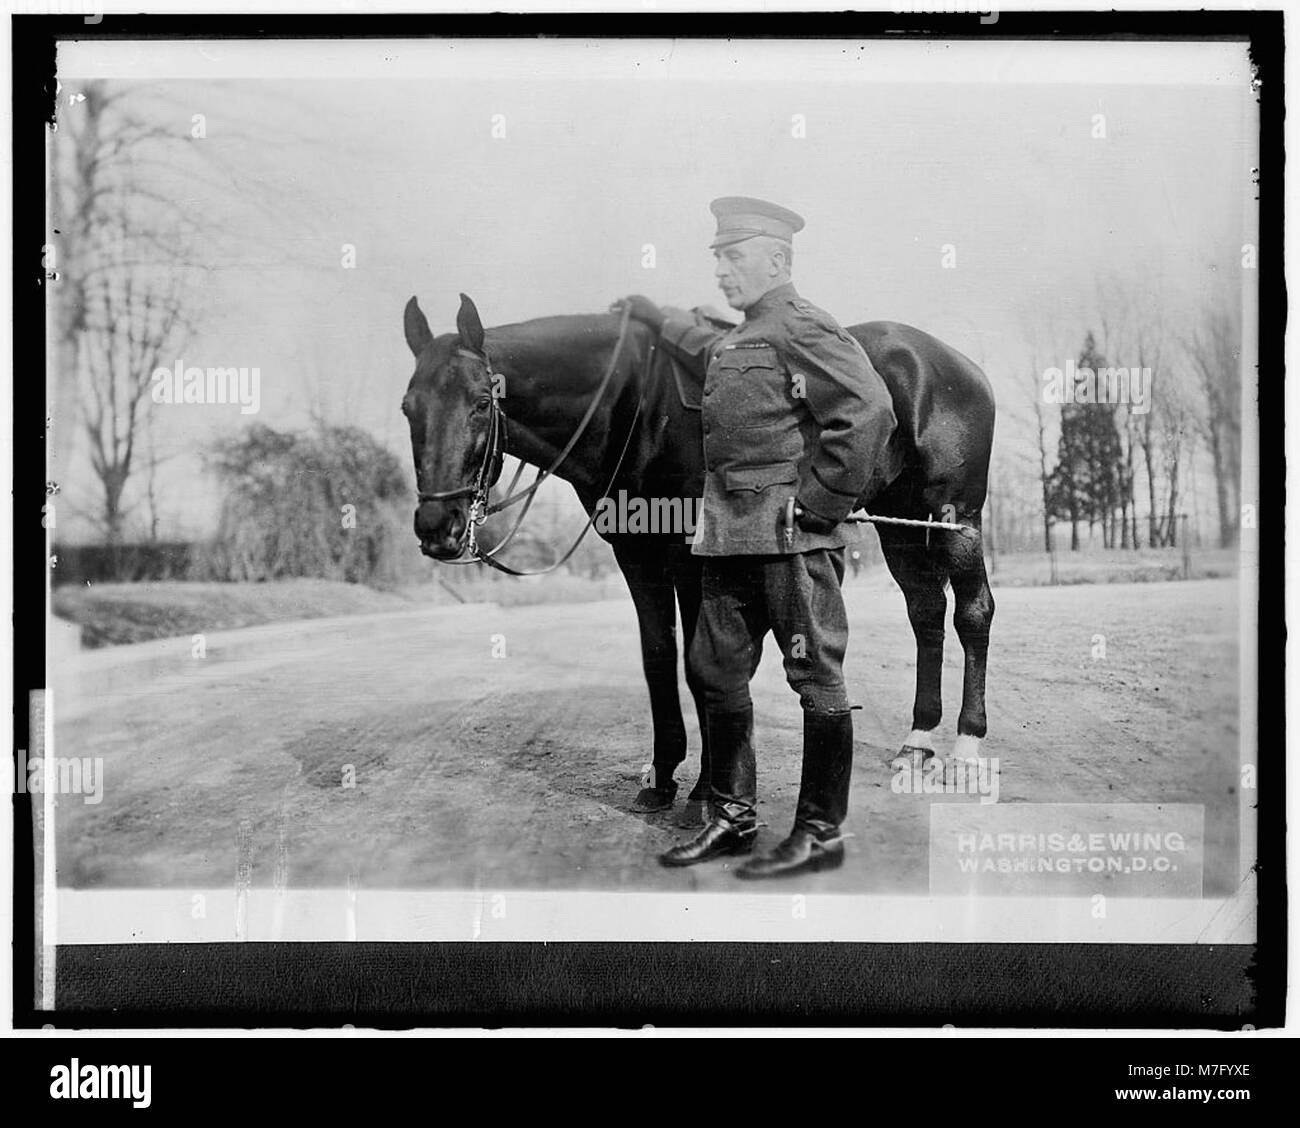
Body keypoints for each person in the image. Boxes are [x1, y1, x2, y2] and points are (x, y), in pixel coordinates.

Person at [613, 196, 899, 879]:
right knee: (715, 674)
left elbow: (870, 409)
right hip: (726, 542)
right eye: (715, 256)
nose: (720, 269)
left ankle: (821, 831)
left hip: (791, 543)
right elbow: (708, 347)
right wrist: (657, 317)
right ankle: (732, 818)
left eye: (732, 256)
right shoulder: (742, 337)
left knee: (815, 682)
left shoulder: (803, 325)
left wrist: (823, 504)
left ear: (776, 259)